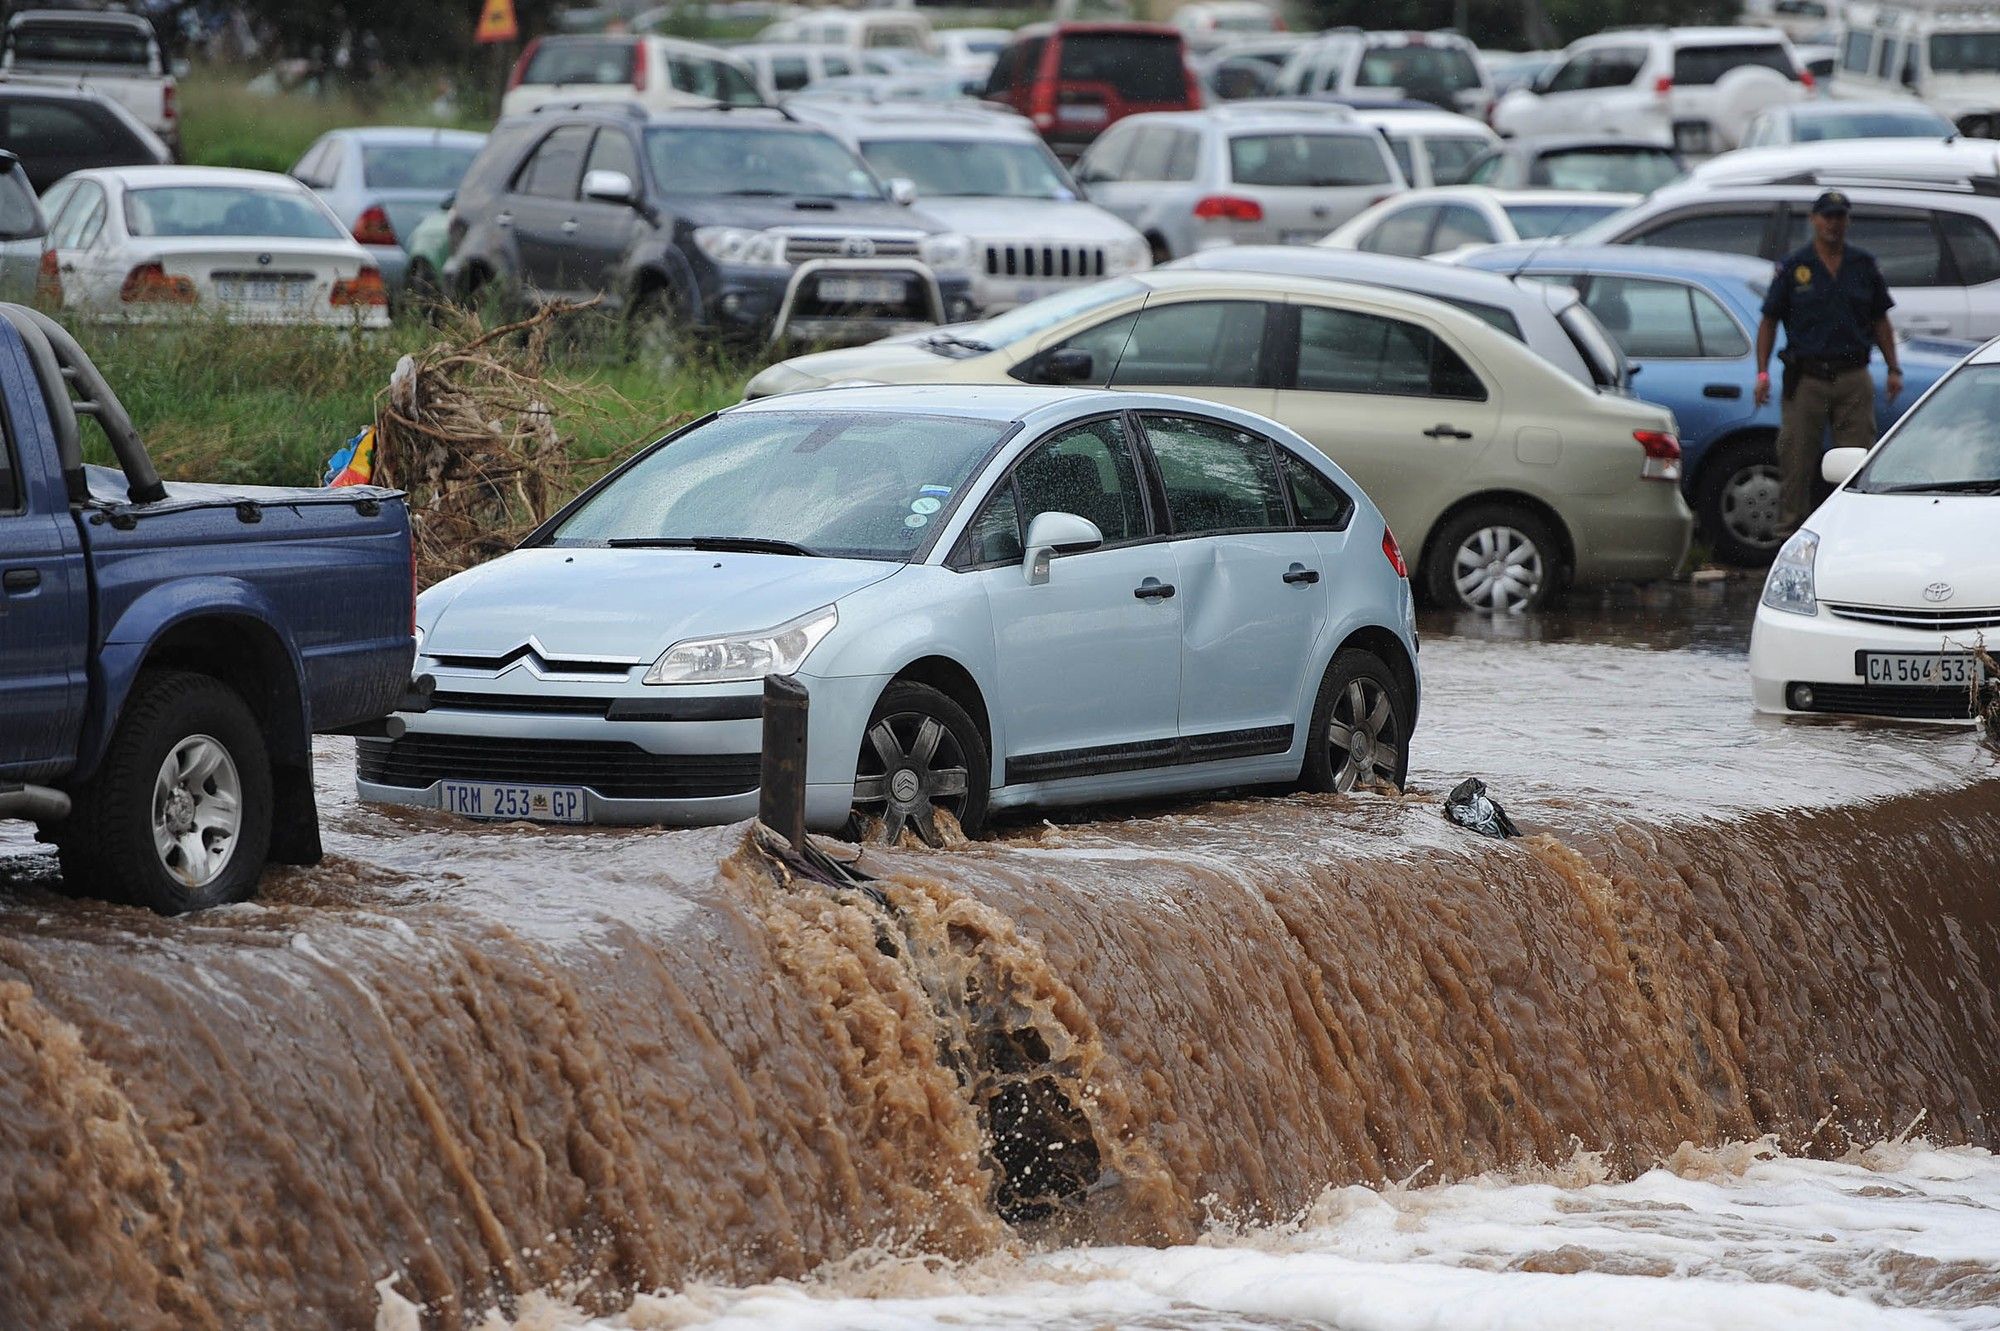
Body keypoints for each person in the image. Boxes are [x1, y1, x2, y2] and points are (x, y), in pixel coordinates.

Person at [1754, 189, 1902, 538]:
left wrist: (1893, 368)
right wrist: (1761, 372)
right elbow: (1768, 320)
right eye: (1827, 216)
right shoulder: (1795, 266)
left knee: (1856, 458)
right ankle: (1790, 534)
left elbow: (1880, 320)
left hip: (1852, 375)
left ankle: (1854, 532)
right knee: (1796, 457)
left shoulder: (1862, 266)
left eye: (1840, 217)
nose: (1834, 224)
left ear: (1847, 221)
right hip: (1806, 377)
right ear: (1814, 220)